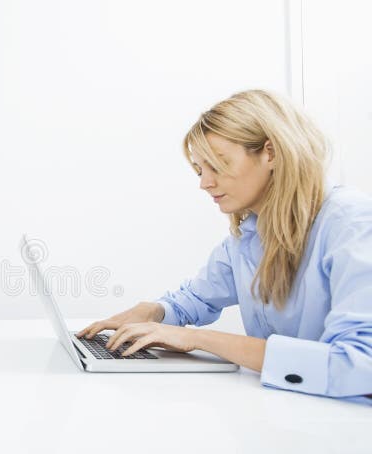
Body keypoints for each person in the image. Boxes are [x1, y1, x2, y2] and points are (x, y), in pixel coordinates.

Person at [78, 89, 372, 399]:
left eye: (217, 165)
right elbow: (194, 299)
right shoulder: (249, 236)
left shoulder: (351, 225)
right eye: (200, 169)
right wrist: (152, 312)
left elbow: (359, 366)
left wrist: (200, 340)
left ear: (270, 153)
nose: (204, 183)